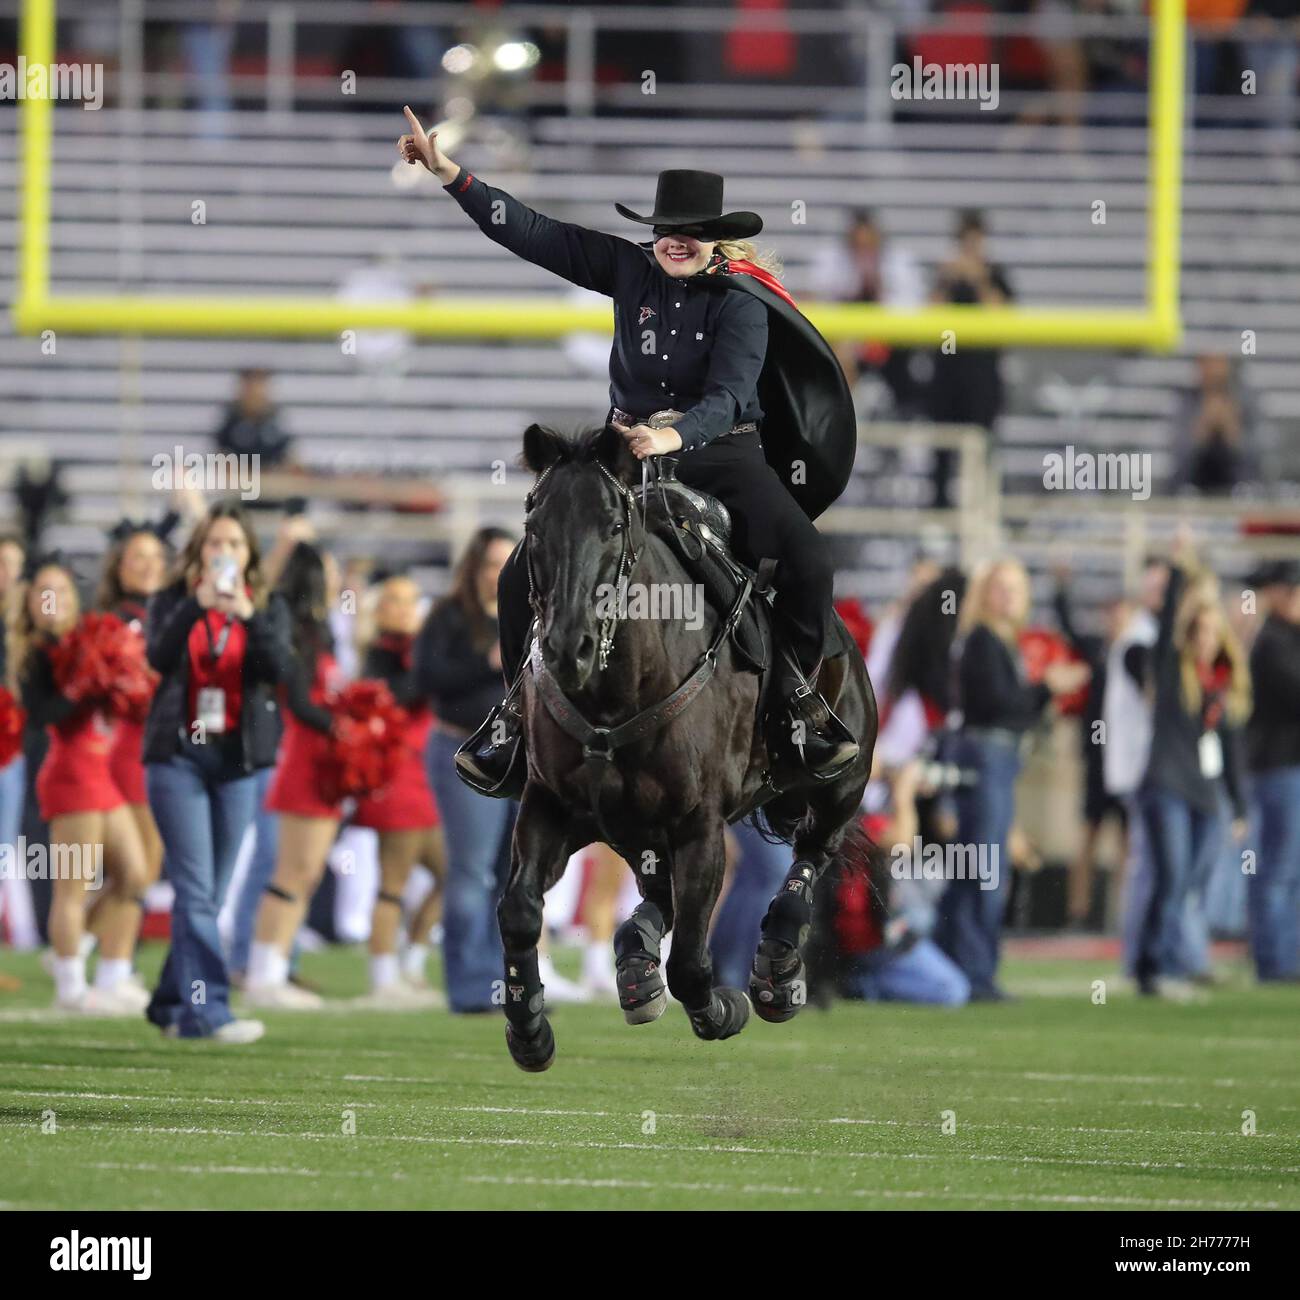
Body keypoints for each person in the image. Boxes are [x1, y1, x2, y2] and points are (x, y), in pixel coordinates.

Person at [397, 108, 859, 787]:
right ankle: (513, 717)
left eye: (692, 234)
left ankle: (798, 703)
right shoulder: (626, 268)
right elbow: (534, 234)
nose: (677, 242)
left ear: (716, 242)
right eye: (667, 230)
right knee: (516, 572)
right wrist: (452, 177)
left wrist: (672, 434)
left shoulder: (741, 303)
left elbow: (731, 397)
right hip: (623, 459)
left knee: (809, 559)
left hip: (724, 457)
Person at [144, 502, 289, 1042]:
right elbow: (157, 659)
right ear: (198, 551)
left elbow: (280, 671)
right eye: (214, 543)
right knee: (196, 889)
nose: (223, 552)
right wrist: (194, 609)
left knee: (210, 892)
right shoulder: (173, 599)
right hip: (179, 755)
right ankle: (208, 1013)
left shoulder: (267, 604)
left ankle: (170, 1004)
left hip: (239, 760)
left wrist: (248, 618)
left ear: (249, 554)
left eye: (233, 544)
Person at [934, 558, 1089, 1001]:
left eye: (1016, 588)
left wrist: (1040, 695)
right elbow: (999, 704)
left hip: (994, 759)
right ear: (984, 593)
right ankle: (976, 972)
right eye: (1000, 587)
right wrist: (1046, 688)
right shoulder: (983, 639)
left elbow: (1009, 706)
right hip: (987, 757)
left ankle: (960, 964)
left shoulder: (999, 640)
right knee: (985, 869)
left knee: (976, 868)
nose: (1009, 596)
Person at [11, 556, 149, 1013]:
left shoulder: (91, 638)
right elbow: (40, 716)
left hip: (101, 773)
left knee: (135, 874)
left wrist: (122, 679)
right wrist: (78, 685)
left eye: (62, 591)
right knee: (73, 886)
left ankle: (71, 950)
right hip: (69, 776)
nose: (53, 600)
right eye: (43, 592)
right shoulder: (31, 652)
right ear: (30, 603)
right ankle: (70, 989)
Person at [1131, 536, 1250, 996]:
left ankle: (1173, 963)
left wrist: (1238, 808)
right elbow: (1165, 626)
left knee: (1190, 884)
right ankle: (1150, 969)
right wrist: (1180, 567)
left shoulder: (1221, 684)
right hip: (1166, 786)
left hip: (1204, 792)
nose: (1204, 639)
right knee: (1172, 878)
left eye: (1211, 632)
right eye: (1197, 631)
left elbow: (1231, 751)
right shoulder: (1170, 667)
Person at [414, 527, 516, 1014]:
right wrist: (486, 661)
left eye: (506, 562)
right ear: (473, 569)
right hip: (466, 752)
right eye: (490, 564)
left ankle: (507, 982)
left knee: (513, 873)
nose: (499, 573)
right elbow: (427, 679)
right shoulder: (449, 616)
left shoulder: (531, 613)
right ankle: (469, 984)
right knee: (471, 871)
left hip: (522, 756)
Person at [244, 542, 346, 1011]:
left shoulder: (321, 631)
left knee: (305, 877)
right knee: (291, 872)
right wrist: (347, 727)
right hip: (305, 763)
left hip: (325, 766)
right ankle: (263, 974)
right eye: (328, 569)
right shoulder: (300, 631)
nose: (336, 577)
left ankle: (276, 967)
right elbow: (302, 704)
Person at [351, 573, 446, 1006]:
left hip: (427, 782)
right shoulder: (379, 656)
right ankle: (382, 977)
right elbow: (405, 694)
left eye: (412, 600)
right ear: (378, 609)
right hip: (398, 781)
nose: (406, 608)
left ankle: (409, 964)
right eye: (394, 600)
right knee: (393, 882)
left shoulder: (415, 649)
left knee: (458, 876)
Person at [925, 210, 1014, 509]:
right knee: (943, 451)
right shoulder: (946, 277)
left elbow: (1001, 316)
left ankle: (985, 508)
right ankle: (940, 513)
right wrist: (948, 280)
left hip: (982, 378)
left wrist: (979, 279)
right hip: (947, 377)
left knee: (983, 448)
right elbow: (928, 317)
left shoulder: (995, 274)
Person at [1244, 559, 1300, 982]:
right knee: (1278, 867)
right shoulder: (1272, 642)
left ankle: (1286, 956)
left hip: (1288, 765)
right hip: (1279, 766)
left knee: (1289, 867)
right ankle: (1272, 960)